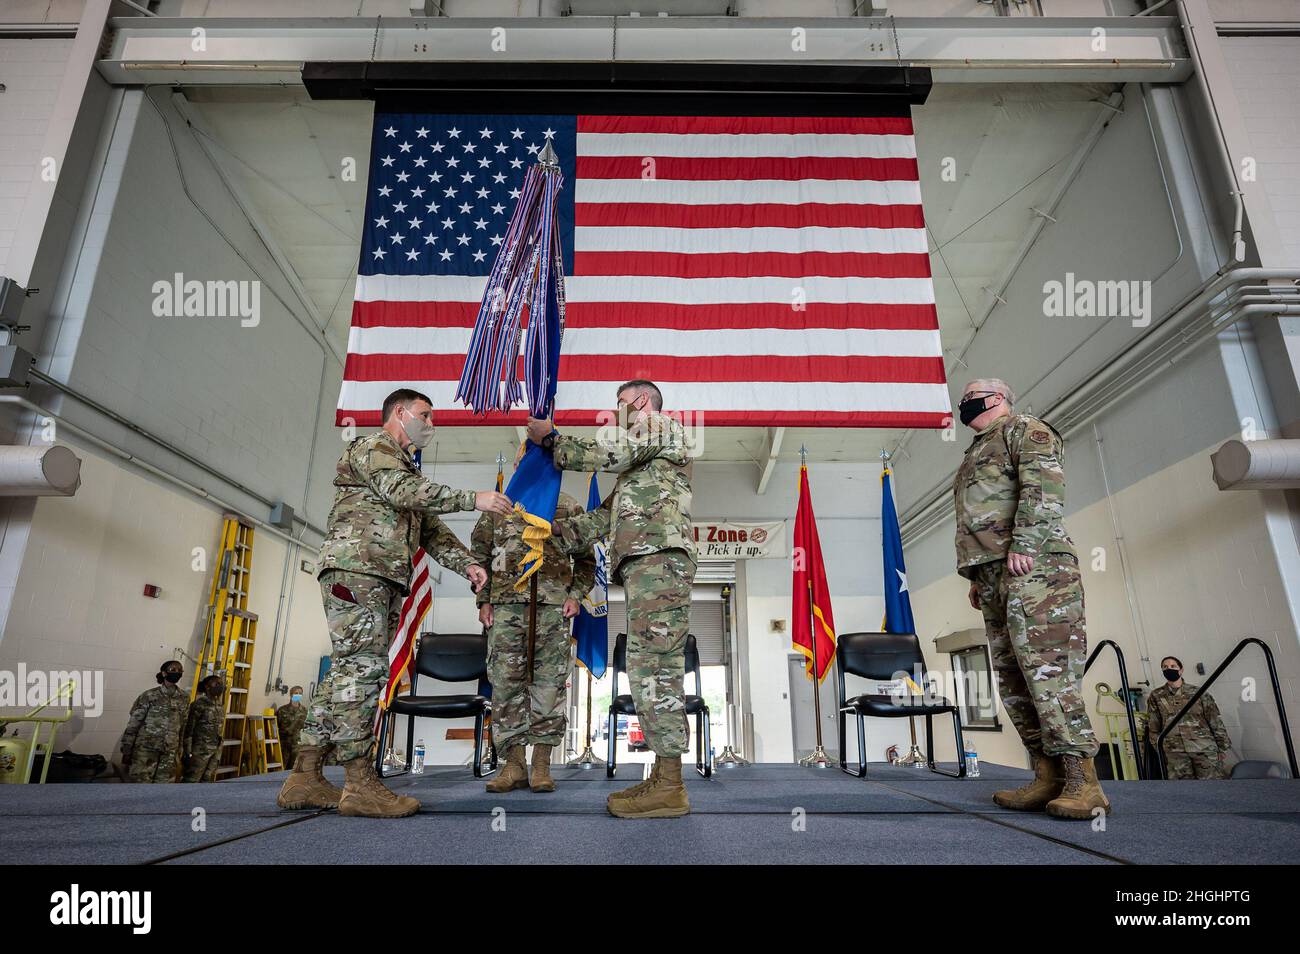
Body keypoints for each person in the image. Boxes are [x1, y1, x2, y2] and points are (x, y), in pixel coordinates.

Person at [277, 388, 511, 818]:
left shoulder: (404, 466)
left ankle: (305, 775)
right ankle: (359, 781)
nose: (431, 426)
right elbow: (402, 490)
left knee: (346, 671)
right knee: (364, 670)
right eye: (426, 416)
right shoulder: (373, 447)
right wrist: (472, 499)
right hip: (358, 569)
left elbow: (432, 532)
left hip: (378, 576)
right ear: (400, 413)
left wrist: (470, 567)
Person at [526, 379, 696, 819]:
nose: (615, 414)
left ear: (639, 402)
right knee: (645, 664)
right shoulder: (645, 467)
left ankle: (672, 784)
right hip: (646, 561)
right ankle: (663, 776)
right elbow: (607, 515)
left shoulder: (661, 425)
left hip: (659, 558)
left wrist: (553, 440)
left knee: (656, 665)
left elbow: (610, 455)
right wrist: (562, 531)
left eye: (619, 405)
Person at [953, 378, 1108, 819]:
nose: (965, 404)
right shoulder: (975, 451)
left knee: (1048, 669)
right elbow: (978, 517)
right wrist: (976, 574)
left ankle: (1085, 783)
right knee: (1013, 677)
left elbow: (1042, 489)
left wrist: (1024, 543)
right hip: (995, 573)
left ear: (998, 398)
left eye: (972, 397)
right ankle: (1048, 776)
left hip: (1036, 567)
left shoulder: (1025, 430)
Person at [473, 489, 595, 794]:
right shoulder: (497, 506)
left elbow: (586, 560)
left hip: (552, 609)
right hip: (505, 608)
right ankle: (513, 765)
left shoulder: (567, 505)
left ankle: (542, 764)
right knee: (506, 685)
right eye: (524, 456)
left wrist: (576, 595)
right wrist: (483, 601)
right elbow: (480, 555)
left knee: (549, 686)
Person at [1146, 656, 1232, 779]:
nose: (1168, 669)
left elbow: (1215, 720)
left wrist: (1222, 747)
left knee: (1213, 786)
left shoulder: (1198, 692)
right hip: (1174, 752)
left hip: (1203, 748)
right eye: (1165, 667)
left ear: (1181, 670)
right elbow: (1154, 726)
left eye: (1173, 666)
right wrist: (1160, 749)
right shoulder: (1156, 695)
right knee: (1184, 791)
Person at [121, 660, 190, 783]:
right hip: (146, 750)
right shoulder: (149, 695)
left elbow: (183, 725)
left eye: (180, 670)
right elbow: (134, 724)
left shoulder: (184, 697)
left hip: (169, 751)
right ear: (164, 673)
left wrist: (180, 749)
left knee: (163, 788)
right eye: (173, 670)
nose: (177, 672)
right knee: (140, 784)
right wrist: (127, 749)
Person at [182, 675, 226, 782]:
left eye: (221, 684)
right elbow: (188, 729)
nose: (220, 686)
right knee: (191, 780)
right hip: (200, 751)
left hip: (215, 750)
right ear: (207, 687)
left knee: (207, 780)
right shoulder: (199, 704)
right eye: (216, 683)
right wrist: (187, 752)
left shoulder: (219, 705)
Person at [276, 685, 308, 770]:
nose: (298, 695)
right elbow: (276, 727)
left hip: (297, 746)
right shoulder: (282, 710)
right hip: (284, 745)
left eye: (300, 693)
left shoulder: (305, 711)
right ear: (291, 695)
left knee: (294, 768)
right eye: (296, 693)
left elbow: (307, 728)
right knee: (282, 767)